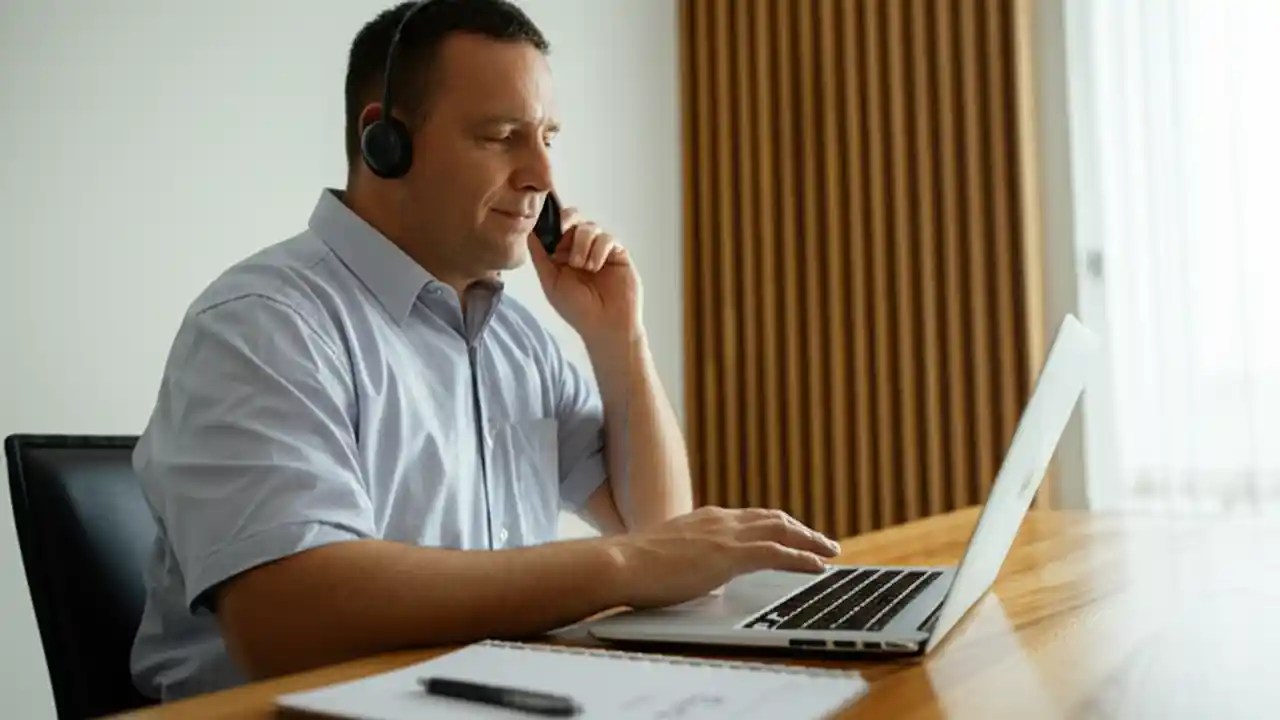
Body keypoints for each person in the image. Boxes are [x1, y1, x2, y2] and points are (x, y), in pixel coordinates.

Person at [130, 0, 840, 701]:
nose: (543, 177)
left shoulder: (515, 339)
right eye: (502, 136)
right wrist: (620, 564)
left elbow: (659, 535)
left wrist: (619, 338)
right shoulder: (263, 325)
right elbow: (284, 621)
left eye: (548, 138)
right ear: (386, 142)